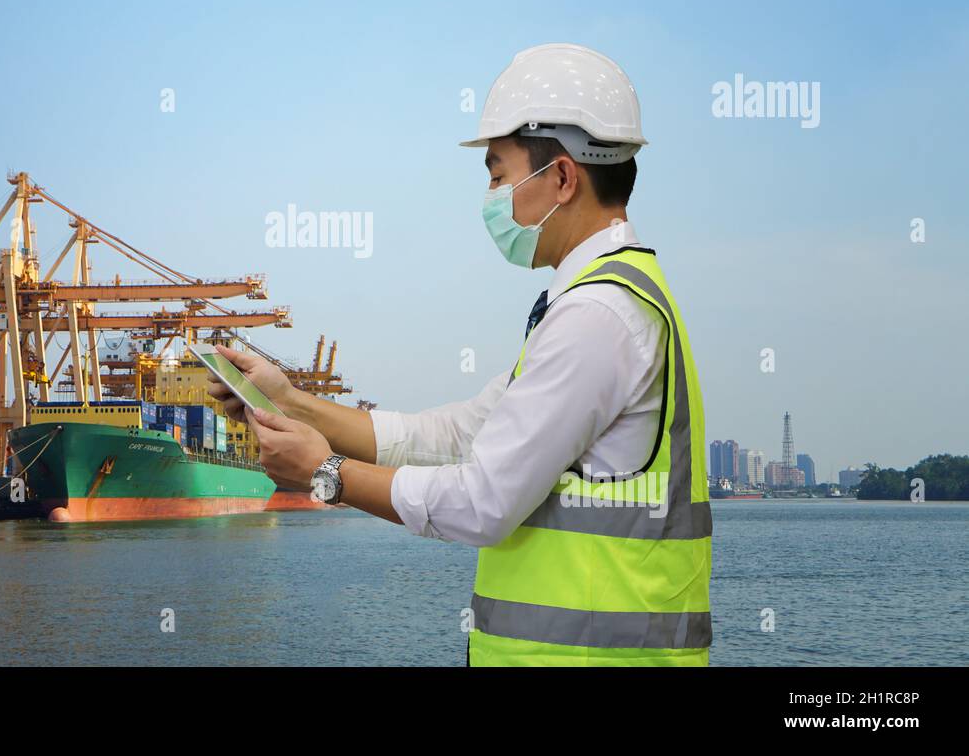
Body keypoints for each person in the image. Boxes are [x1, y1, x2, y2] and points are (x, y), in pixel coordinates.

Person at [209, 43, 711, 666]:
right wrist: (291, 402)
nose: (492, 197)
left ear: (560, 177)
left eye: (499, 174)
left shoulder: (596, 316)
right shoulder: (601, 300)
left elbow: (483, 503)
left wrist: (328, 474)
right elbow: (460, 434)